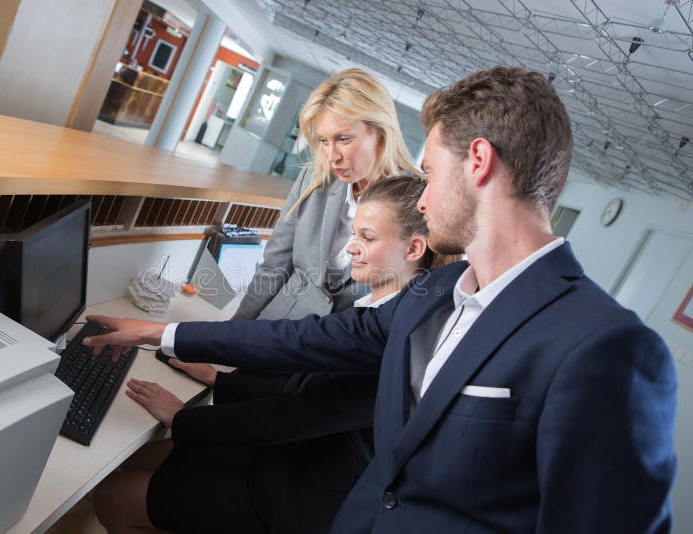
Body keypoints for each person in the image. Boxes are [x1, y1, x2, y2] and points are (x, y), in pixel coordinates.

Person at [85, 67, 677, 533]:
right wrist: (158, 333)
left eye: (429, 172)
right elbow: (309, 339)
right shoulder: (439, 289)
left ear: (477, 162)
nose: (420, 198)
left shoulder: (610, 346)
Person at [92, 177, 460, 533]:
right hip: (281, 457)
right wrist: (217, 379)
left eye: (367, 237)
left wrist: (183, 417)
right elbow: (298, 380)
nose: (350, 247)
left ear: (413, 249)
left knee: (112, 498)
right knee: (142, 460)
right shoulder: (380, 309)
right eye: (353, 233)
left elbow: (292, 414)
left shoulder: (395, 334)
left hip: (297, 495)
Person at [232, 67, 420, 321]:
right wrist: (231, 334)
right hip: (275, 326)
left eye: (343, 139)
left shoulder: (414, 203)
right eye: (323, 141)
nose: (332, 156)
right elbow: (274, 265)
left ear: (380, 133)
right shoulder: (313, 180)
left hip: (339, 345)